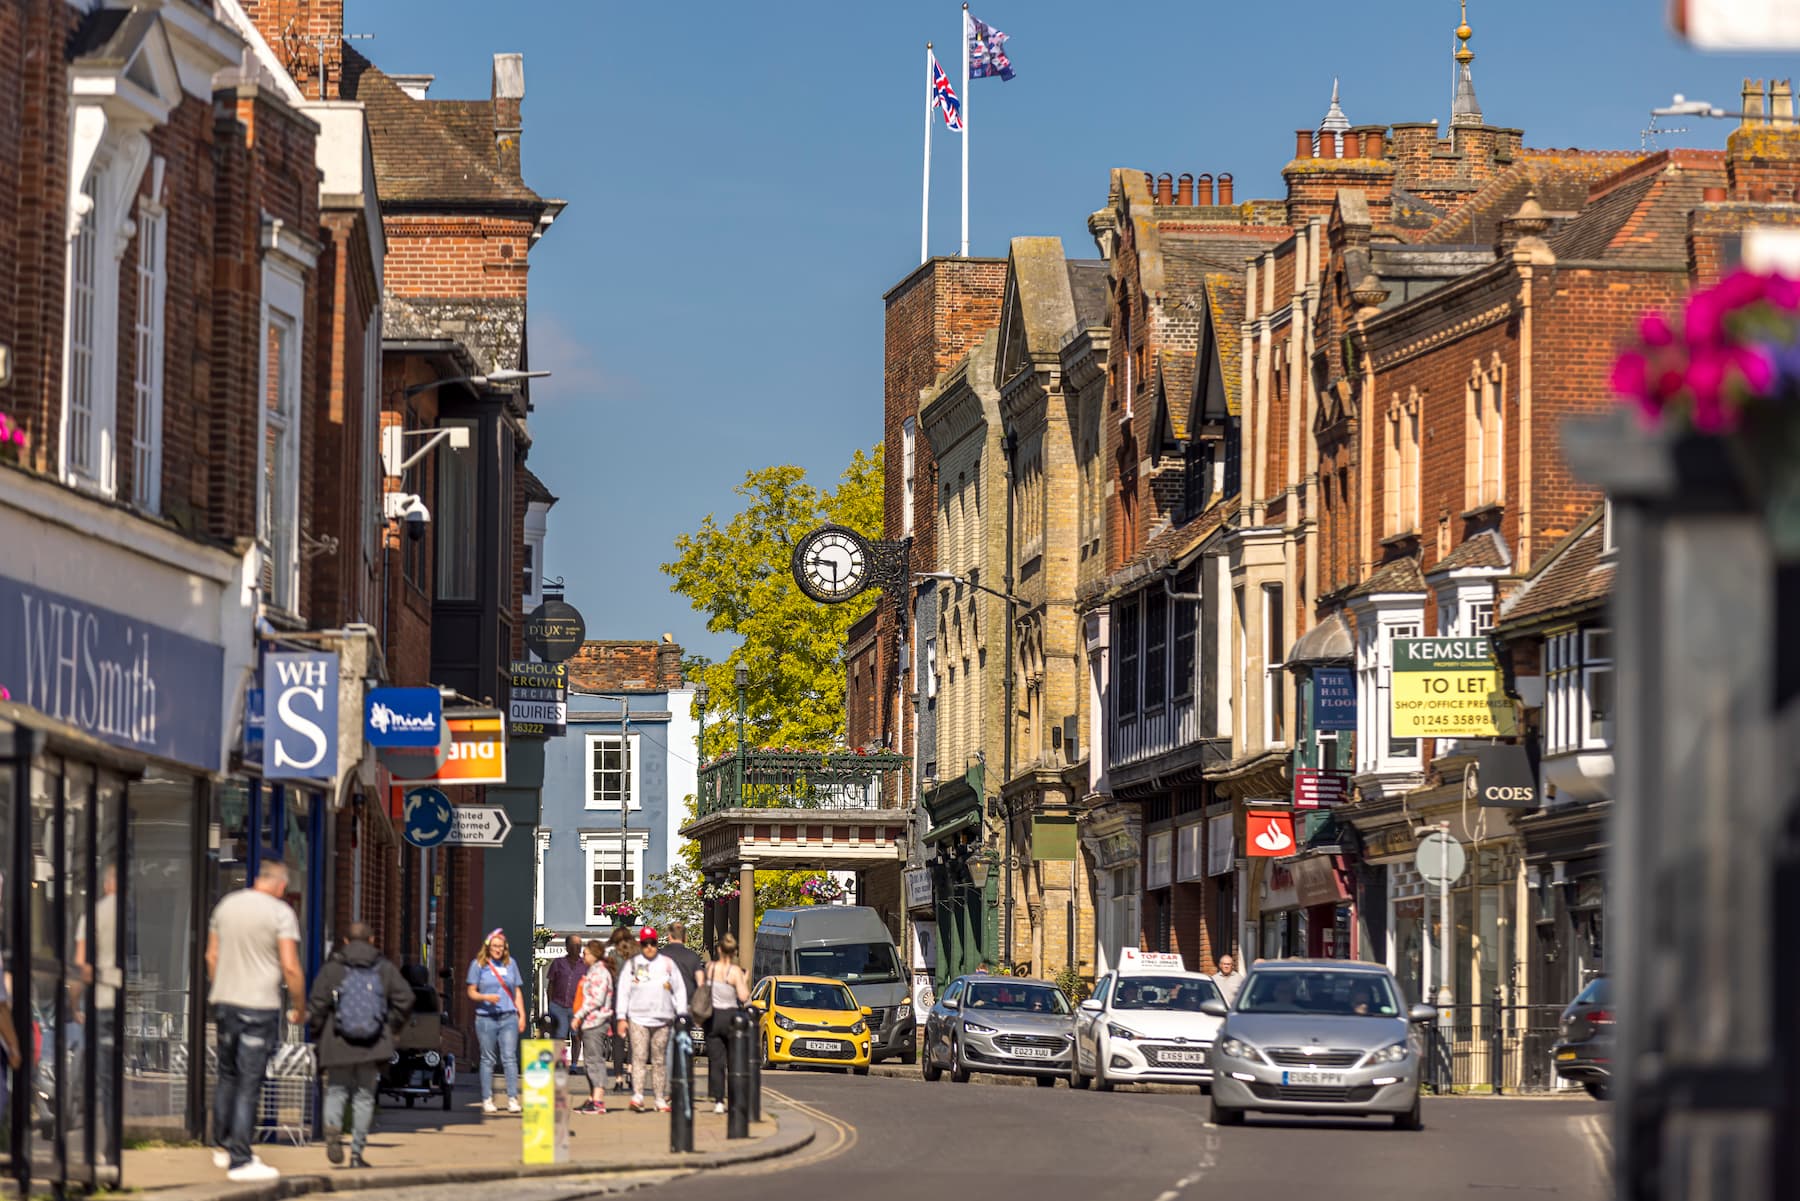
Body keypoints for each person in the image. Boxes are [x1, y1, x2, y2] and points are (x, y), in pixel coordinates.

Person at [206, 861, 304, 1183]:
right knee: (250, 1083)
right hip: (259, 1005)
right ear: (278, 886)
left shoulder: (227, 905)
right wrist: (299, 1007)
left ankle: (221, 1145)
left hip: (225, 1002)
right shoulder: (280, 913)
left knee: (227, 1075)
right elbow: (290, 966)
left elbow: (211, 956)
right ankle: (241, 1158)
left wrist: (220, 986)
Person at [306, 923, 412, 1168]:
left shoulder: (333, 969)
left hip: (338, 1040)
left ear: (345, 941)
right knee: (364, 1097)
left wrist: (319, 1033)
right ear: (372, 940)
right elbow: (406, 998)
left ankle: (332, 1129)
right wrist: (390, 1026)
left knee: (336, 1090)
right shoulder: (384, 968)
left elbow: (318, 1004)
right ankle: (356, 1154)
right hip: (373, 1043)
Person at [615, 926, 688, 1113]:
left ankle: (659, 1098)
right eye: (645, 943)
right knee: (638, 1058)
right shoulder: (632, 965)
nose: (649, 947)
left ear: (657, 943)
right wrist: (621, 1017)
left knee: (659, 1060)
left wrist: (681, 1014)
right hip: (638, 1018)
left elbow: (680, 991)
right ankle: (638, 1096)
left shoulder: (667, 964)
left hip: (663, 1019)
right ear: (641, 944)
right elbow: (623, 991)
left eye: (652, 943)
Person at [466, 928, 526, 1114]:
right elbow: (471, 991)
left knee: (509, 1057)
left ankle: (512, 1098)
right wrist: (486, 997)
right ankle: (487, 1098)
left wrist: (521, 1014)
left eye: (501, 946)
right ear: (488, 947)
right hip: (486, 1018)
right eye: (495, 946)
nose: (498, 949)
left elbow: (516, 991)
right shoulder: (478, 965)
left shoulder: (511, 964)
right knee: (487, 1059)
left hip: (508, 1016)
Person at [701, 935, 751, 1114]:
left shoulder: (710, 968)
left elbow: (703, 988)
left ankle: (719, 1101)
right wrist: (744, 981)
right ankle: (734, 1099)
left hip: (713, 1017)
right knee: (733, 1061)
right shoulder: (735, 971)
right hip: (731, 1018)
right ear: (734, 952)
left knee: (716, 1061)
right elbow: (744, 996)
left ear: (719, 950)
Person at [571, 940, 614, 1114]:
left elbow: (596, 1000)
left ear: (594, 954)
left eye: (586, 953)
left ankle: (598, 1100)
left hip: (596, 1021)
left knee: (595, 1060)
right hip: (590, 1022)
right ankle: (592, 1097)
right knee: (589, 1061)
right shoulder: (593, 971)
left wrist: (578, 1015)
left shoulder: (600, 973)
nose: (583, 956)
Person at [545, 935, 585, 1064]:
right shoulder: (558, 963)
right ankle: (559, 1063)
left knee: (576, 1036)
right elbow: (551, 984)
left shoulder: (585, 965)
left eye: (579, 945)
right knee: (559, 1037)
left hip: (576, 1007)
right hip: (559, 1005)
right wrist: (550, 1004)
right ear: (567, 947)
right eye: (574, 945)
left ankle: (573, 1064)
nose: (577, 948)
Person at [605, 928, 636, 1093]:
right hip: (634, 999)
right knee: (634, 1040)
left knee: (617, 1040)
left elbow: (608, 979)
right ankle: (630, 1069)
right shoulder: (637, 955)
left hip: (617, 998)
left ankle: (618, 1078)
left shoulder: (611, 955)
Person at [661, 923, 705, 997]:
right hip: (688, 1001)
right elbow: (701, 982)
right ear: (685, 937)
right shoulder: (693, 956)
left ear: (669, 936)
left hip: (664, 1000)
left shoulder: (659, 955)